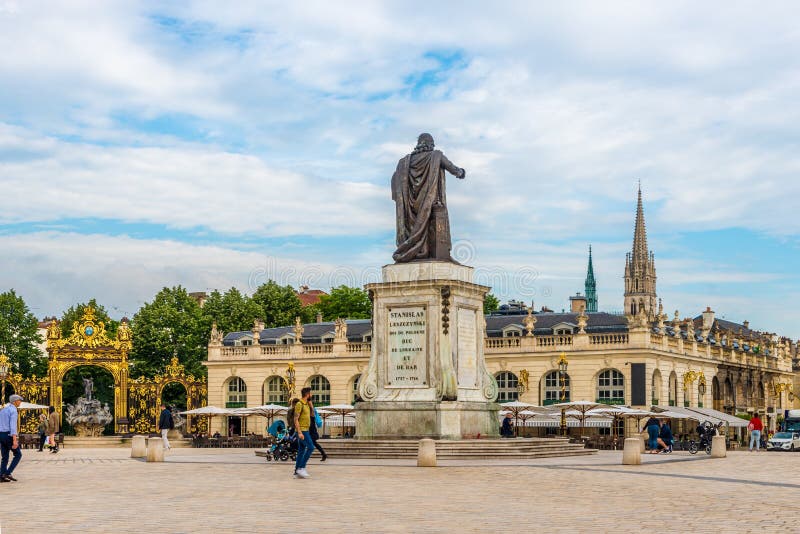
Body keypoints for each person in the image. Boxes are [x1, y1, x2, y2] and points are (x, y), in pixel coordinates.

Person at [1, 394, 24, 482]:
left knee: (5, 456)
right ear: (14, 401)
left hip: (1, 434)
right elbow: (13, 426)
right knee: (18, 454)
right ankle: (7, 472)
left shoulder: (3, 410)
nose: (20, 402)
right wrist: (15, 440)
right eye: (19, 400)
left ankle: (1, 476)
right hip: (8, 435)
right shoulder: (13, 411)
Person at [293, 387, 314, 479]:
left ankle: (297, 471)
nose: (312, 395)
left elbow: (312, 415)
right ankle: (301, 467)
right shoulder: (299, 404)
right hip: (302, 431)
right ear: (307, 394)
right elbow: (295, 419)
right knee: (311, 447)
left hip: (306, 430)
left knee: (301, 450)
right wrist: (300, 432)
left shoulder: (307, 404)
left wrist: (311, 406)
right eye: (311, 393)